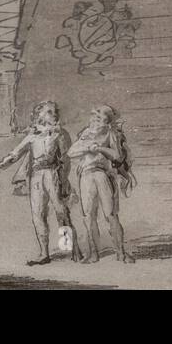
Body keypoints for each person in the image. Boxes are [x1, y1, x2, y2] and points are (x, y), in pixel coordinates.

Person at [0, 99, 81, 266]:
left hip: (53, 175)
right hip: (36, 177)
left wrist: (64, 181)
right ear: (39, 114)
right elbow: (15, 154)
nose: (55, 114)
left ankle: (69, 248)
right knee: (38, 214)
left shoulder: (60, 134)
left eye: (55, 111)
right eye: (50, 111)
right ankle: (44, 253)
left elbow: (66, 159)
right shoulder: (32, 136)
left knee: (61, 211)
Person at [69, 104, 136, 263]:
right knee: (88, 215)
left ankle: (120, 252)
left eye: (99, 118)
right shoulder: (86, 133)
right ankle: (93, 254)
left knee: (110, 214)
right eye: (93, 117)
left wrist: (99, 149)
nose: (94, 120)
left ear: (107, 120)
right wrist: (86, 148)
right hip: (86, 176)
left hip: (102, 175)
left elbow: (117, 156)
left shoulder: (110, 133)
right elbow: (71, 152)